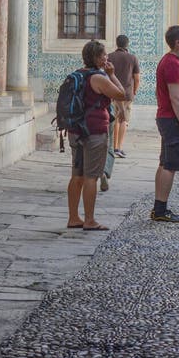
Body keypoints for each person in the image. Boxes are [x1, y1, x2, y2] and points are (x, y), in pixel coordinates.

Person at [66, 40, 125, 231]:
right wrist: (112, 75)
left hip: (76, 131)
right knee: (91, 177)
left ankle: (74, 217)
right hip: (94, 131)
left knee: (77, 175)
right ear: (97, 58)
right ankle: (90, 220)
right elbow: (121, 94)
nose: (106, 57)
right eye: (104, 55)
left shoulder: (77, 74)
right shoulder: (99, 78)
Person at [151, 25, 179, 223]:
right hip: (171, 119)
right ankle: (161, 209)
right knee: (170, 165)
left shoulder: (172, 61)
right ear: (178, 42)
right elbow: (175, 98)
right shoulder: (172, 64)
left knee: (164, 162)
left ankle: (159, 207)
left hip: (167, 117)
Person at [107, 34, 140, 158]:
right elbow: (137, 79)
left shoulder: (109, 57)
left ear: (117, 43)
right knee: (123, 120)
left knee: (114, 119)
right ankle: (118, 148)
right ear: (127, 44)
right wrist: (134, 91)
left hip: (112, 92)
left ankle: (112, 146)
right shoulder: (132, 58)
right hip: (126, 94)